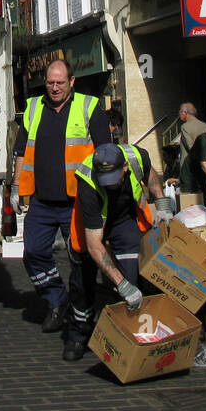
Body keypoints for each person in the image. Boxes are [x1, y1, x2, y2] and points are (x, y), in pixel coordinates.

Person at [10, 59, 111, 335]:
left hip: (77, 202)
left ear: (72, 82)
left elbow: (106, 153)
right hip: (42, 200)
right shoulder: (33, 107)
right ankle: (57, 300)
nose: (54, 88)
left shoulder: (89, 107)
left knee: (81, 263)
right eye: (50, 83)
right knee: (33, 253)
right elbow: (21, 151)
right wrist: (16, 186)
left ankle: (82, 316)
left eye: (60, 83)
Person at [63, 142, 162, 361]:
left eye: (113, 179)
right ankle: (78, 334)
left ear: (125, 167)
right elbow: (94, 245)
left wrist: (163, 204)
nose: (109, 185)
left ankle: (126, 336)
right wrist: (122, 285)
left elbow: (151, 176)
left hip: (123, 219)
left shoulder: (137, 156)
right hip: (91, 227)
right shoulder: (88, 182)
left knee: (131, 274)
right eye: (104, 180)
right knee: (82, 280)